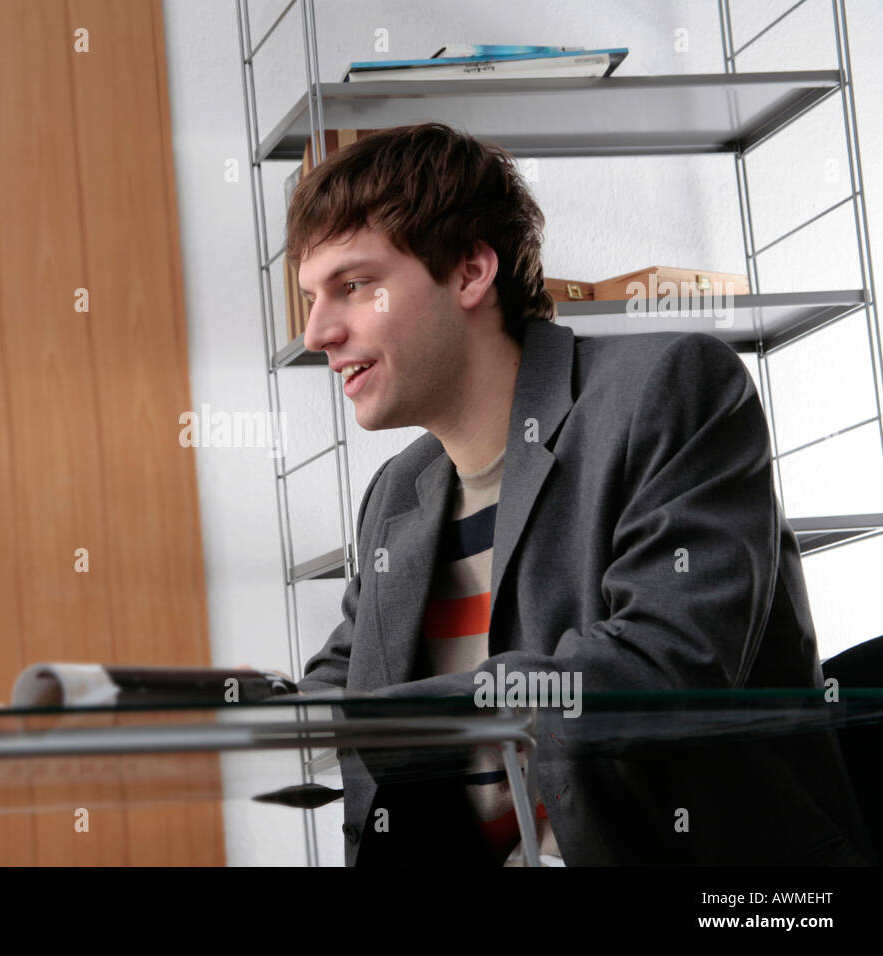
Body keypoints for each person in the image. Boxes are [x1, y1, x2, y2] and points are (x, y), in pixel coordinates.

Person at [287, 122, 874, 867]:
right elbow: (346, 680)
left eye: (354, 286)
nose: (316, 333)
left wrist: (414, 713)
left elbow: (668, 663)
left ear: (470, 271)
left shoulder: (672, 389)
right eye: (311, 296)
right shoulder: (397, 491)